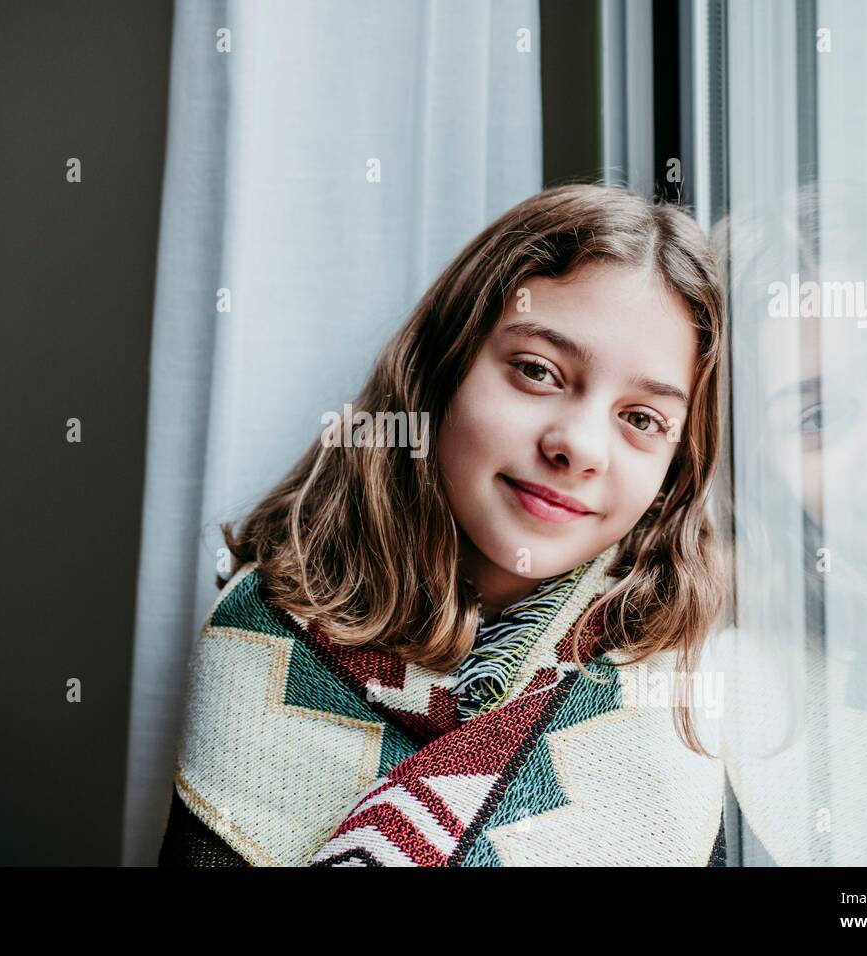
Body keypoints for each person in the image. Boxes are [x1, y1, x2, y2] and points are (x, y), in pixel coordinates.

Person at [159, 182, 731, 866]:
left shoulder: (674, 704)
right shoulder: (264, 638)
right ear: (439, 372)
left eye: (642, 419)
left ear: (675, 472)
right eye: (538, 371)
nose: (577, 445)